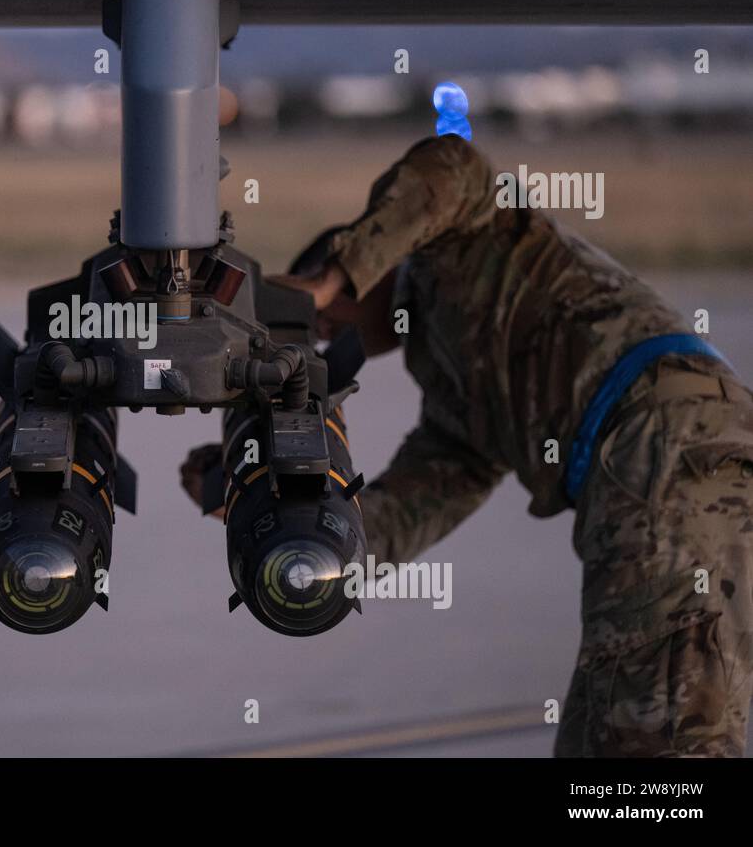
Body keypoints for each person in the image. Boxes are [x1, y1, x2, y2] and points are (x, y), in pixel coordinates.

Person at [181, 134, 753, 756]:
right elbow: (397, 520)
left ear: (381, 257)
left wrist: (328, 276)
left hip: (670, 444)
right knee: (605, 746)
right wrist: (267, 514)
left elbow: (454, 163)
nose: (324, 329)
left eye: (326, 313)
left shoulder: (462, 244)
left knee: (660, 748)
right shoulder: (460, 407)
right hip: (649, 475)